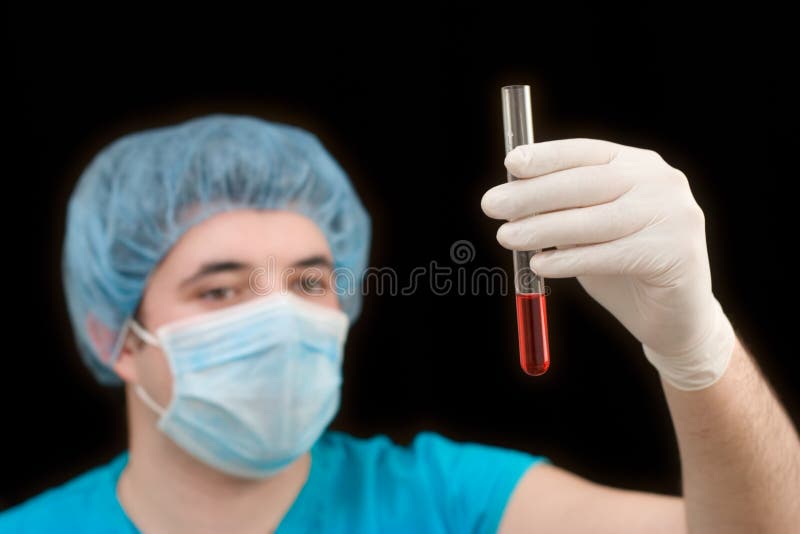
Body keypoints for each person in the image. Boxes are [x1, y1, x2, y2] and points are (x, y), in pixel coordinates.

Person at [0, 114, 797, 533]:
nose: (280, 317)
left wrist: (696, 348)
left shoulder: (450, 501)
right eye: (220, 291)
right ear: (113, 336)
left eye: (309, 281)